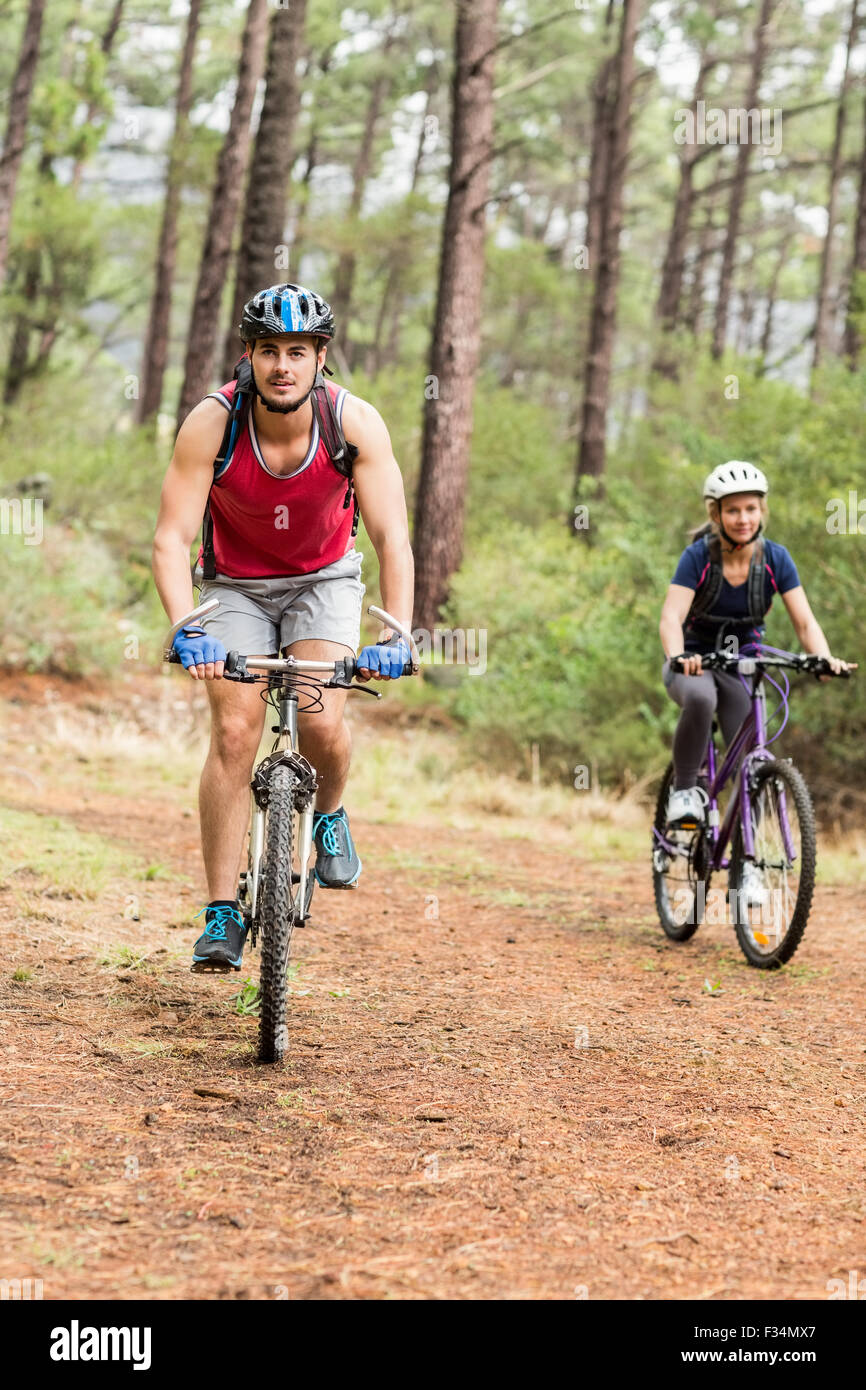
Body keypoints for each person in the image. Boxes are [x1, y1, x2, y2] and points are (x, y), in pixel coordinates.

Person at [152, 283, 414, 971]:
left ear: (320, 357)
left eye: (297, 351)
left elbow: (392, 539)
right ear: (249, 354)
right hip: (234, 585)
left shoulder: (353, 423)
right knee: (235, 732)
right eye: (269, 350)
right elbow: (170, 539)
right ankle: (220, 912)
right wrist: (187, 628)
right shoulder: (213, 424)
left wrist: (397, 635)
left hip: (324, 581)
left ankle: (328, 813)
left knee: (321, 718)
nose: (282, 366)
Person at [658, 461, 848, 903]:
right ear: (715, 514)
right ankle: (686, 792)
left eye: (751, 509)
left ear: (761, 511)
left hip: (744, 663)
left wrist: (823, 659)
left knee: (751, 759)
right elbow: (670, 617)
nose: (743, 518)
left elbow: (804, 621)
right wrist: (678, 655)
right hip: (694, 662)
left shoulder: (776, 559)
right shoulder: (698, 557)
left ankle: (748, 869)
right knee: (701, 701)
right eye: (732, 511)